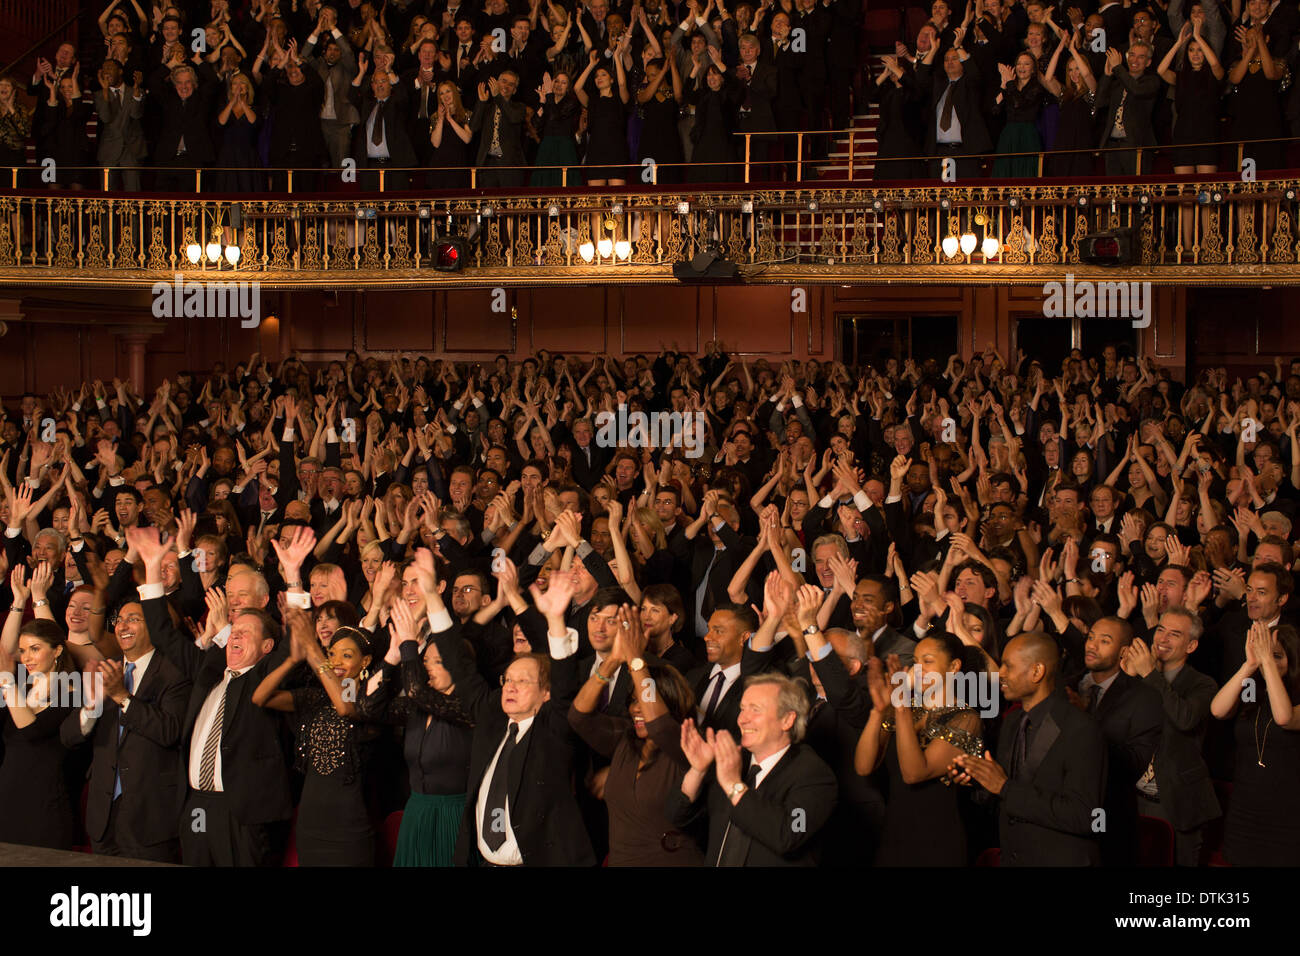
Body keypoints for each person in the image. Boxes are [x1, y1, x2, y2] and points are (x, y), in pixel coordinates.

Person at [130, 527, 292, 867]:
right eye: (230, 598)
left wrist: (292, 576)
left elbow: (295, 645)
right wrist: (152, 566)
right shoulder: (209, 667)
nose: (233, 607)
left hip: (241, 811)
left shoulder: (270, 673)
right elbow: (162, 634)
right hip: (197, 805)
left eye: (241, 600)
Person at [953, 631, 1106, 866]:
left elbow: (1087, 817)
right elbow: (1005, 792)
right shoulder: (1013, 722)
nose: (1000, 673)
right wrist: (979, 780)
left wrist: (1004, 787)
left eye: (1008, 666)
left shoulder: (1081, 729)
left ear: (1037, 671)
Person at [568, 604, 704, 864]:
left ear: (671, 704)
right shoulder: (625, 741)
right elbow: (578, 716)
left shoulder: (684, 744)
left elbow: (660, 726)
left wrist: (635, 660)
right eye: (633, 700)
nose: (636, 709)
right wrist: (613, 661)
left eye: (643, 699)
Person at [60, 601, 190, 861]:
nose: (122, 626)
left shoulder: (175, 672)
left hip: (149, 817)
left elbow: (170, 731)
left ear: (154, 625)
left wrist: (122, 696)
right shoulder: (105, 670)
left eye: (133, 619)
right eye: (119, 620)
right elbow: (68, 737)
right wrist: (91, 707)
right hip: (103, 816)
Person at [669, 672, 838, 865]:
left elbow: (789, 834)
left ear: (787, 720)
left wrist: (734, 786)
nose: (742, 719)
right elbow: (677, 817)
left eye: (755, 709)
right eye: (742, 709)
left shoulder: (814, 775)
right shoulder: (730, 760)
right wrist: (697, 771)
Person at [253, 609, 379, 866]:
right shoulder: (315, 699)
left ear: (365, 662)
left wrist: (314, 651)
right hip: (311, 825)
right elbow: (260, 698)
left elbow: (345, 707)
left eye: (347, 655)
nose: (336, 662)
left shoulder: (371, 701)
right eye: (332, 654)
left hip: (349, 829)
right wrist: (291, 660)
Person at [856, 631, 984, 865]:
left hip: (938, 842)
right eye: (915, 662)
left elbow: (914, 773)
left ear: (954, 666)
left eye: (928, 661)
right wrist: (879, 710)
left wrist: (901, 708)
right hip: (894, 836)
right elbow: (864, 766)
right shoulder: (906, 708)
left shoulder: (966, 718)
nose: (918, 669)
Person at [1122, 606, 1220, 866]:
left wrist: (1150, 675)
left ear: (1191, 646)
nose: (1162, 639)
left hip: (1176, 803)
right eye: (1161, 630)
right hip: (1133, 796)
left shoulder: (1203, 684)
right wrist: (1127, 679)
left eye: (1174, 634)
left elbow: (1184, 719)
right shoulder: (1139, 677)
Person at [1211, 621, 1300, 865]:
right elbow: (1217, 710)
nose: (1266, 661)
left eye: (1277, 656)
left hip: (1288, 814)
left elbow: (1284, 718)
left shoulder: (1294, 704)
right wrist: (1249, 664)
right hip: (1245, 809)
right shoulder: (1252, 693)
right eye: (1265, 655)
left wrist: (1268, 662)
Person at [0, 618, 79, 850]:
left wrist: (6, 681)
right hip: (7, 799)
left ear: (57, 651)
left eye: (35, 649)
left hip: (43, 807)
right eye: (23, 651)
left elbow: (32, 731)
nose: (26, 658)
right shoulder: (20, 690)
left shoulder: (71, 692)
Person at [575, 43, 631, 186]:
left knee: (617, 199)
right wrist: (591, 65)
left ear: (612, 79)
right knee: (596, 200)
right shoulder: (592, 101)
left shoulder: (619, 99)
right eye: (596, 76)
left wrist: (617, 57)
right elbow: (577, 88)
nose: (599, 78)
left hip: (616, 150)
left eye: (603, 75)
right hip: (596, 151)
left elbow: (623, 84)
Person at [470, 71, 527, 188]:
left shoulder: (519, 107)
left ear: (515, 90)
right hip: (487, 164)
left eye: (511, 84)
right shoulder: (488, 107)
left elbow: (513, 117)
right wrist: (481, 102)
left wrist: (497, 97)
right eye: (503, 81)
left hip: (509, 166)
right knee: (487, 204)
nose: (506, 86)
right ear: (496, 83)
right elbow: (473, 127)